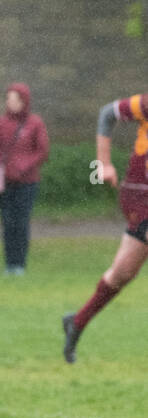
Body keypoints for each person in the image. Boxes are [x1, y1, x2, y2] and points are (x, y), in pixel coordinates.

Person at [61, 91, 148, 362]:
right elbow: (107, 114)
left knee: (122, 273)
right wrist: (103, 163)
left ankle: (77, 322)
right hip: (141, 196)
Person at [0, 83, 48, 276]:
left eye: (14, 99)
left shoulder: (35, 123)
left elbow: (42, 151)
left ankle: (20, 264)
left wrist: (25, 165)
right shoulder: (0, 123)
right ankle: (9, 263)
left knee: (21, 222)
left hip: (27, 182)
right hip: (5, 182)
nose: (10, 103)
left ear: (24, 101)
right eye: (8, 99)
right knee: (7, 222)